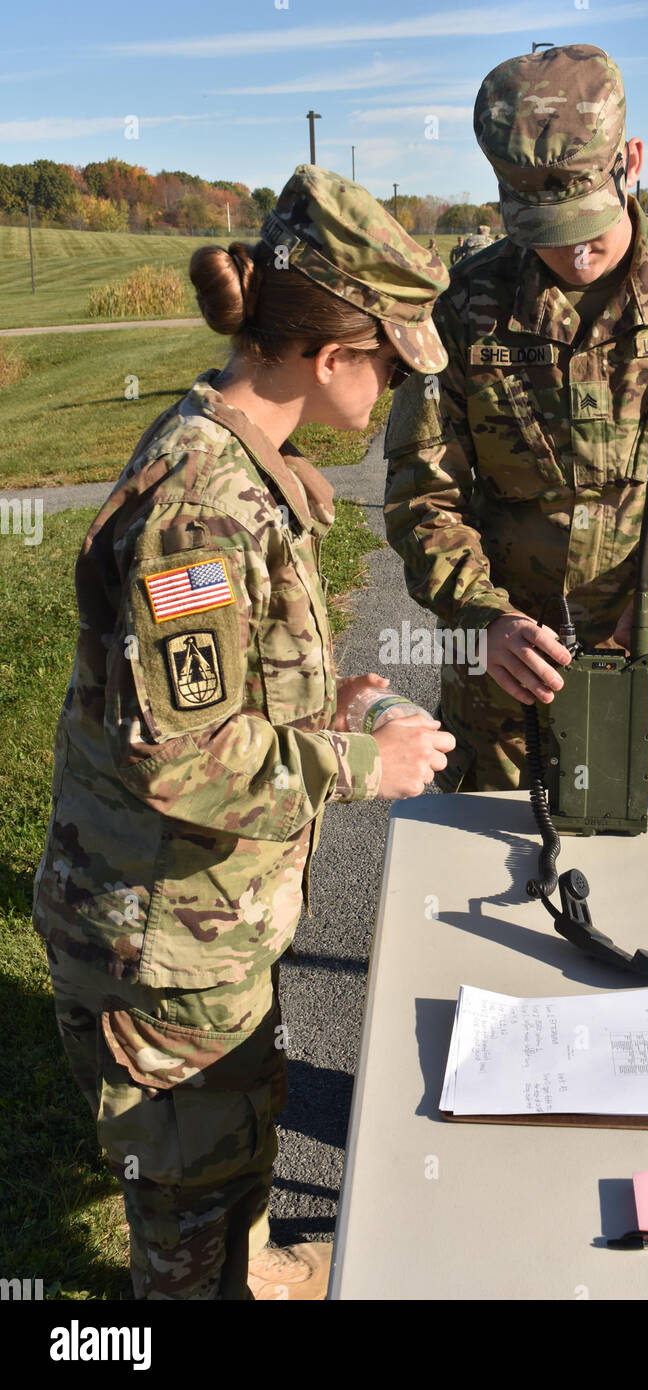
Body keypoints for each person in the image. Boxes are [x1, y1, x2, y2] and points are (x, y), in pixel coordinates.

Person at [32, 165, 455, 1300]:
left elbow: (226, 696)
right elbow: (179, 758)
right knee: (184, 1204)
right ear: (329, 359)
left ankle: (249, 1274)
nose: (401, 387)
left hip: (206, 927)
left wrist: (343, 698)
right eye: (393, 360)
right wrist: (366, 764)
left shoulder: (240, 462)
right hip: (162, 940)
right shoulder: (202, 508)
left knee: (233, 1150)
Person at [383, 44, 648, 793]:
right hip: (506, 677)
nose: (573, 256)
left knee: (640, 877)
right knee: (484, 877)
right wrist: (483, 617)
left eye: (588, 226)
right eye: (546, 232)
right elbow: (424, 494)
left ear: (631, 161)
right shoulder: (466, 307)